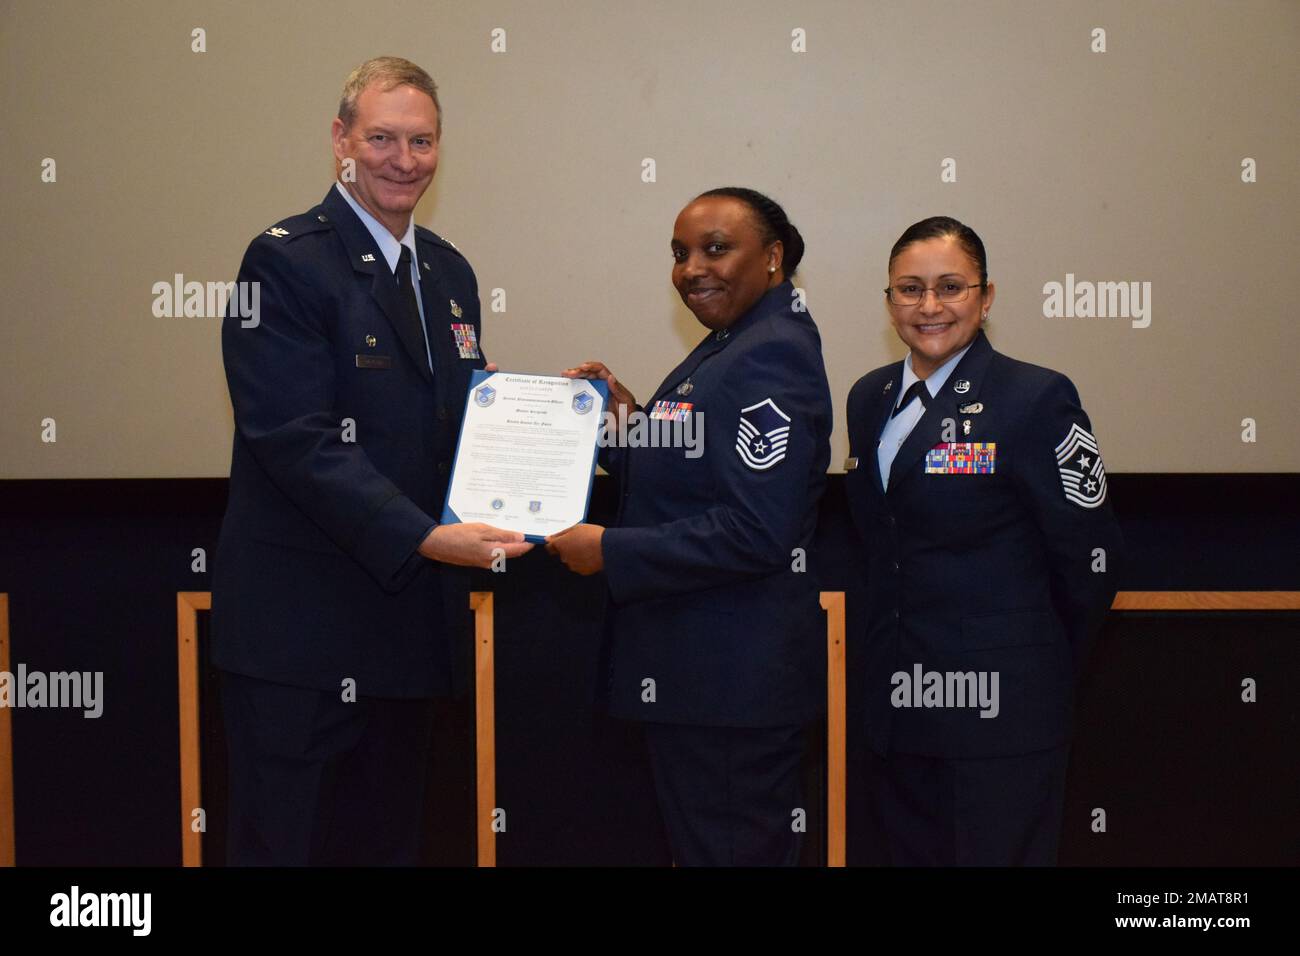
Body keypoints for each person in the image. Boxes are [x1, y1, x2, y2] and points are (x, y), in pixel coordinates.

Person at [212, 56, 530, 866]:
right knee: (288, 847)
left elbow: (461, 419)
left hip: (409, 633)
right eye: (381, 137)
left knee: (388, 845)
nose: (403, 159)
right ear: (340, 141)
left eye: (421, 140)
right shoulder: (285, 261)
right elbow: (295, 440)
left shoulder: (450, 272)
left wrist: (555, 423)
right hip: (302, 638)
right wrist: (426, 538)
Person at [548, 187, 832, 866]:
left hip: (729, 692)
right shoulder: (729, 346)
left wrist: (610, 551)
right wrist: (622, 421)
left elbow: (758, 530)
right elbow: (688, 472)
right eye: (680, 254)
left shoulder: (772, 353)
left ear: (772, 257)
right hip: (699, 688)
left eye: (715, 249)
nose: (691, 268)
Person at [844, 215, 1123, 865]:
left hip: (1004, 715)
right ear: (889, 303)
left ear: (987, 296)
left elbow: (1091, 560)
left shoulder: (1035, 398)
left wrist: (1034, 666)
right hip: (897, 710)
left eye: (951, 287)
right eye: (909, 289)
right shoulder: (868, 399)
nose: (930, 305)